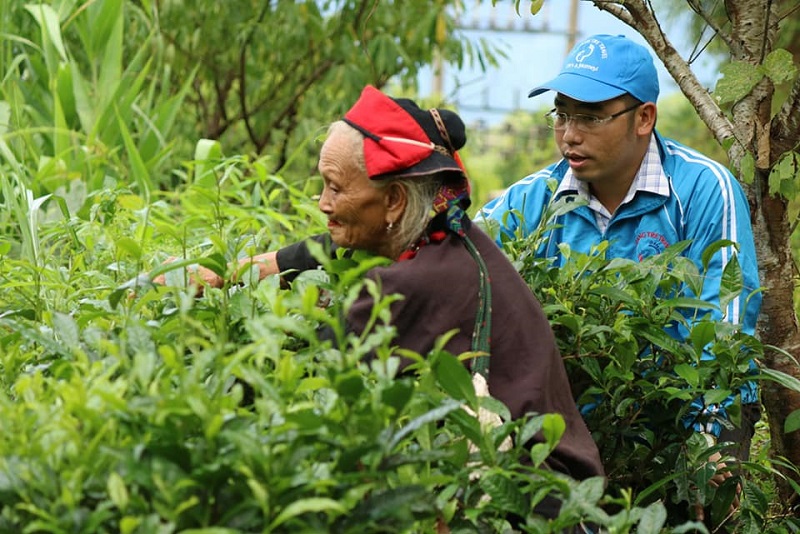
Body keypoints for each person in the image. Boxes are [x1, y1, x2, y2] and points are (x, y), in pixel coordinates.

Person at [157, 85, 604, 519]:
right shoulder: (444, 230)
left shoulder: (414, 283)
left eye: (335, 188)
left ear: (393, 200)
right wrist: (225, 272)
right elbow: (325, 246)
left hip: (536, 506)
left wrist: (176, 400)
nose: (322, 203)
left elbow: (298, 375)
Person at [476, 34, 762, 523]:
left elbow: (730, 325)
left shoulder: (700, 189)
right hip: (570, 413)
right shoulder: (534, 200)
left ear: (643, 119)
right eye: (562, 115)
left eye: (590, 117)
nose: (569, 134)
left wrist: (708, 438)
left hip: (682, 412)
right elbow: (464, 261)